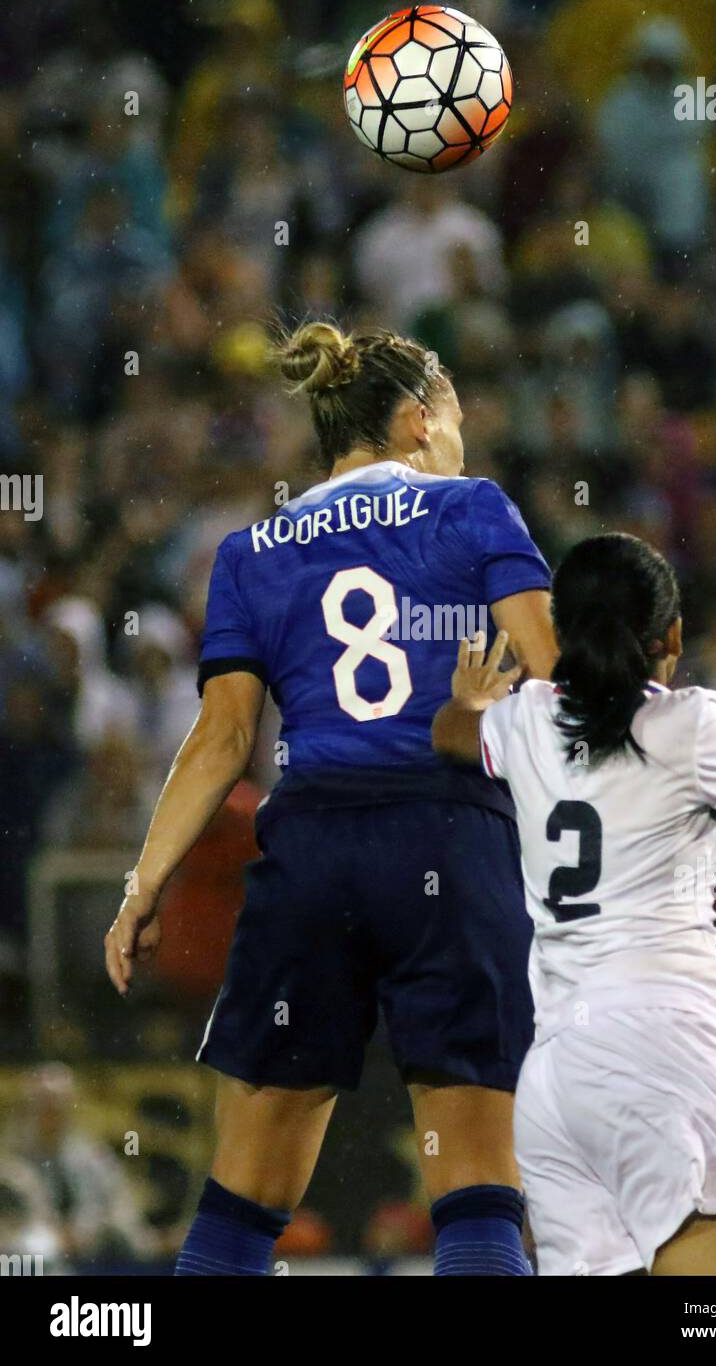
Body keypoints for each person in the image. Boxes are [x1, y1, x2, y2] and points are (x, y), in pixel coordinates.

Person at [105, 322, 557, 1276]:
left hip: (311, 851)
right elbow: (556, 675)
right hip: (450, 835)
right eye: (456, 422)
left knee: (239, 1205)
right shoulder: (473, 508)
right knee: (477, 1191)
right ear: (414, 418)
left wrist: (143, 885)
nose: (462, 445)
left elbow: (223, 741)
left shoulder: (252, 549)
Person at [432, 532, 716, 1276]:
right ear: (671, 636)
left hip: (555, 1081)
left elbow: (450, 734)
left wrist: (471, 700)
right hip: (661, 1051)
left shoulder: (525, 719)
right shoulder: (691, 726)